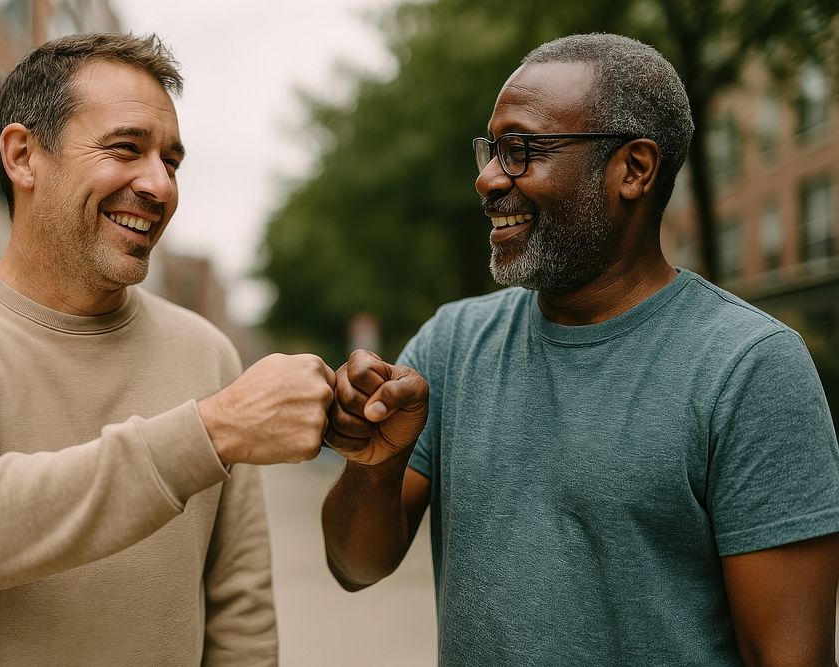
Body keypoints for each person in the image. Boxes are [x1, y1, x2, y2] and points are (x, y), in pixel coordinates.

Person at [321, 33, 839, 666]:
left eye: (521, 150)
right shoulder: (451, 345)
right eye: (491, 150)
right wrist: (372, 465)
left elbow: (788, 655)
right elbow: (356, 566)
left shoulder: (748, 368)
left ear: (633, 170)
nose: (487, 179)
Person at [0, 33, 336, 665]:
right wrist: (210, 432)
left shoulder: (206, 353)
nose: (159, 185)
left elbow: (238, 610)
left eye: (172, 161)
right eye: (126, 149)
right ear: (23, 156)